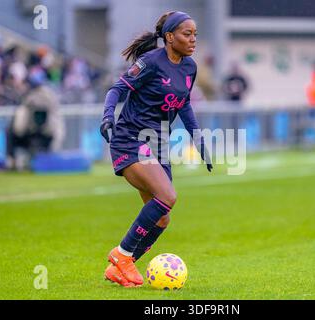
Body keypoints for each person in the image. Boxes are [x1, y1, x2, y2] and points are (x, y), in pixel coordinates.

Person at [99, 11, 212, 287]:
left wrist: (199, 141)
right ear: (169, 37)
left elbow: (183, 103)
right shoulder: (149, 62)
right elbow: (117, 89)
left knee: (162, 219)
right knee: (167, 195)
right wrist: (107, 116)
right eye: (187, 34)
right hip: (131, 139)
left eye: (195, 34)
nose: (193, 39)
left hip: (159, 144)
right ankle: (122, 255)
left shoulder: (189, 67)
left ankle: (119, 269)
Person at [6, 66, 65, 170]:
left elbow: (19, 126)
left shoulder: (29, 97)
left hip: (31, 135)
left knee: (10, 131)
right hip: (47, 135)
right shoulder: (51, 96)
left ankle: (12, 161)